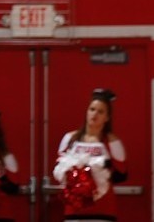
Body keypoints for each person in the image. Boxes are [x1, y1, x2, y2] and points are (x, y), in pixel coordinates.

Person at [53, 88, 126, 222]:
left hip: (103, 210)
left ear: (107, 117)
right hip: (74, 211)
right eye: (92, 109)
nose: (95, 114)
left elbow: (121, 174)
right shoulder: (70, 138)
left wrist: (96, 172)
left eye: (100, 111)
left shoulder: (112, 141)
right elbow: (59, 171)